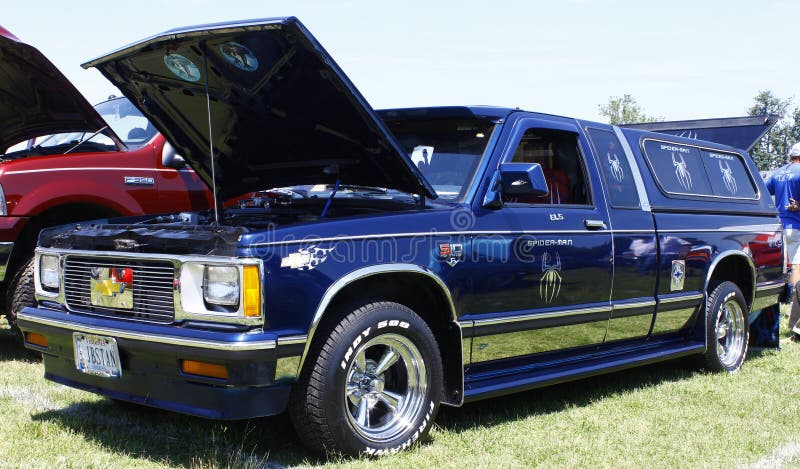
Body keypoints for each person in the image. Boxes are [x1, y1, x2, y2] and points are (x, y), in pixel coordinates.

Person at [766, 142, 800, 333]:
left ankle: (779, 299)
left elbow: (763, 190)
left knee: (782, 266)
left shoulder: (778, 173)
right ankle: (792, 301)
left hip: (778, 227)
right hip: (796, 226)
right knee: (796, 266)